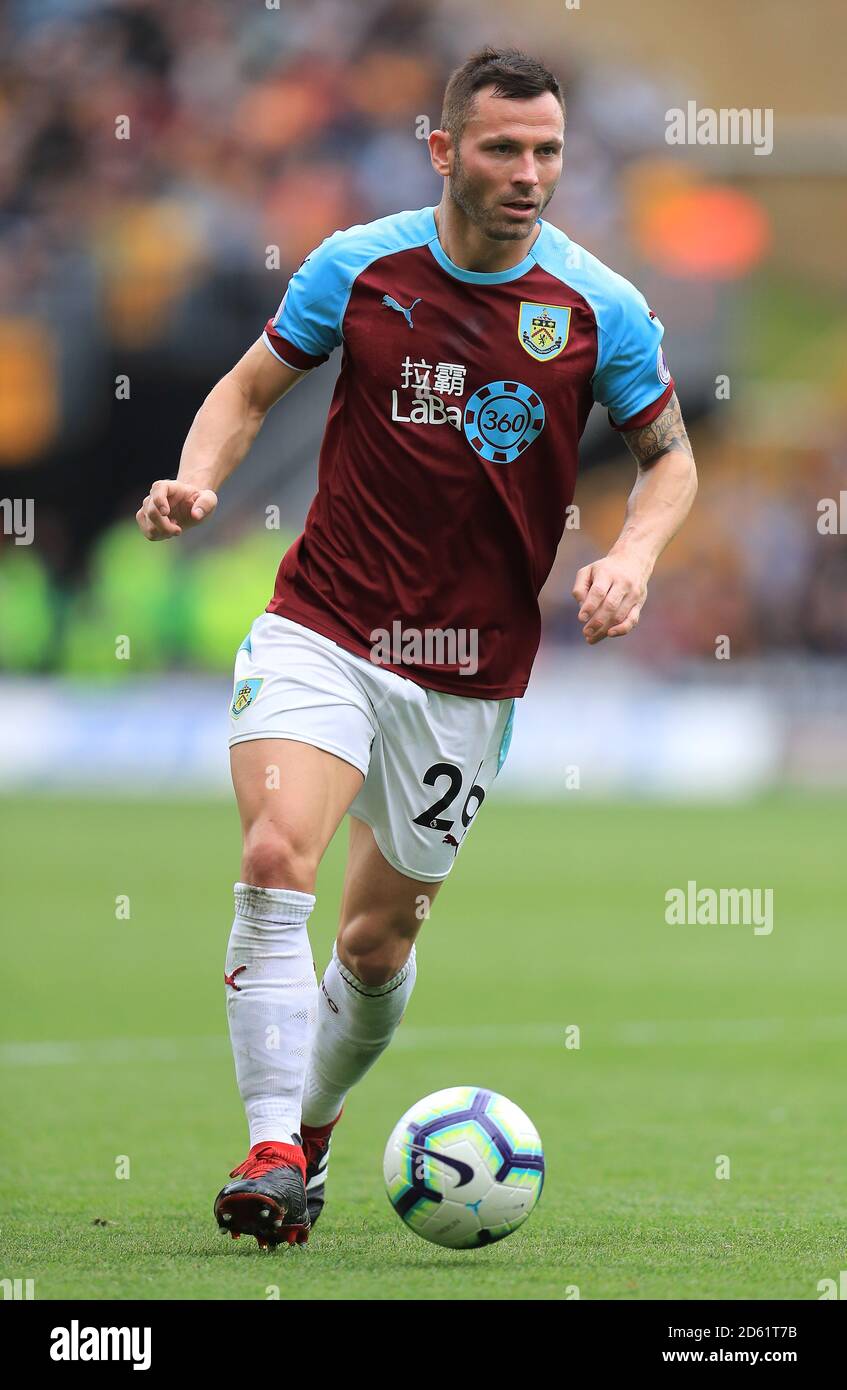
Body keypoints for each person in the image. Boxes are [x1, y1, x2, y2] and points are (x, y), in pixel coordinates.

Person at [135, 45, 697, 1248]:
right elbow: (245, 391)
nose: (528, 172)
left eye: (547, 150)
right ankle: (271, 1145)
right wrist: (196, 479)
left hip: (468, 676)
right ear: (443, 150)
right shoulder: (357, 266)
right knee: (278, 850)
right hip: (323, 627)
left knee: (374, 945)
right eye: (501, 147)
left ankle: (315, 1130)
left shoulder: (599, 308)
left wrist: (631, 558)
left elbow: (670, 461)